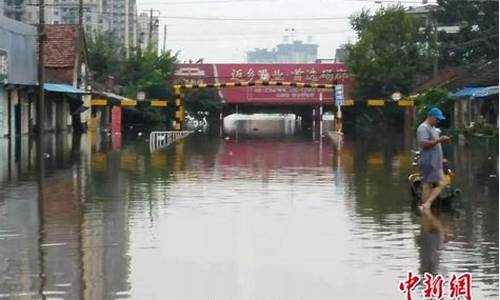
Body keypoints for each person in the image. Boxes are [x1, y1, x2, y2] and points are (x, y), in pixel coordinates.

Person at [416, 107, 451, 211]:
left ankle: (427, 205)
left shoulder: (432, 128)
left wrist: (441, 158)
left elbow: (436, 143)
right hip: (428, 161)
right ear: (430, 117)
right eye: (437, 118)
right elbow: (423, 144)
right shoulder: (423, 128)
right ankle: (426, 205)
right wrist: (439, 140)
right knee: (430, 184)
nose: (438, 121)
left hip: (435, 162)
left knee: (433, 184)